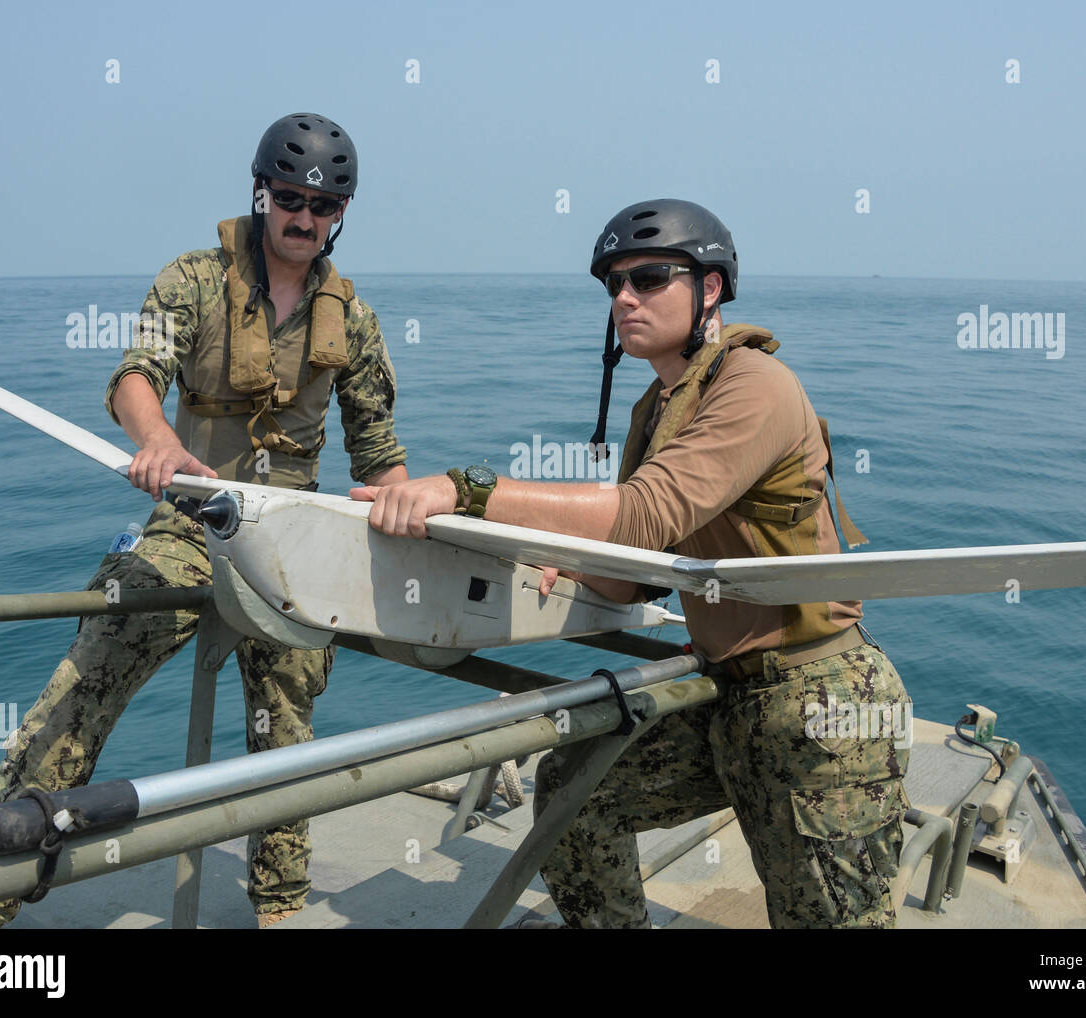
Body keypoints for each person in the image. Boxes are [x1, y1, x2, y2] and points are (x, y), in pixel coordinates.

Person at [350, 199, 910, 929]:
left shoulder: (754, 386)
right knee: (577, 790)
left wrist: (468, 489)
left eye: (649, 279)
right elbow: (629, 571)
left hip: (818, 702)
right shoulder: (660, 407)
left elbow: (649, 514)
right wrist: (558, 564)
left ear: (709, 288)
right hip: (725, 696)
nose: (624, 298)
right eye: (613, 284)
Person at [0, 113, 408, 930]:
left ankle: (281, 907)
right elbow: (134, 373)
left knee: (288, 715)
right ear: (261, 194)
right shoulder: (190, 279)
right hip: (197, 516)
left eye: (324, 207)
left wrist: (413, 512)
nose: (304, 217)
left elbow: (379, 455)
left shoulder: (353, 322)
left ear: (343, 214)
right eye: (289, 198)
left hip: (293, 531)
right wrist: (157, 442)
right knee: (95, 662)